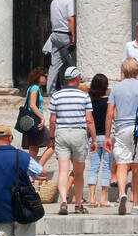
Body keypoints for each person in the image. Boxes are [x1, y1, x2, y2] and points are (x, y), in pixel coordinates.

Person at [107, 57, 138, 215]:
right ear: (137, 70)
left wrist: (107, 136)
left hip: (121, 128)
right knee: (137, 167)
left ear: (124, 71)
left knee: (121, 164)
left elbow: (109, 114)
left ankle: (121, 193)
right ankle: (135, 205)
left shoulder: (116, 88)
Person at [48, 66, 96, 215]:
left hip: (61, 133)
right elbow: (89, 120)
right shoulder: (84, 96)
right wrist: (94, 138)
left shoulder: (56, 96)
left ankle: (63, 201)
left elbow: (52, 120)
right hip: (78, 133)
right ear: (76, 79)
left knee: (63, 170)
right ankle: (78, 204)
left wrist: (51, 137)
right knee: (78, 172)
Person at [42, 0, 75, 92]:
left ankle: (50, 91)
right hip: (65, 35)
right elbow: (71, 19)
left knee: (55, 64)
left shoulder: (54, 1)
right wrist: (74, 39)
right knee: (72, 63)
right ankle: (74, 88)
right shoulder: (69, 0)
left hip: (55, 35)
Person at [86, 73, 111, 208]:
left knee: (94, 168)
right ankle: (103, 198)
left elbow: (88, 120)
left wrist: (93, 138)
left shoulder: (89, 100)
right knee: (107, 167)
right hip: (107, 137)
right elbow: (113, 117)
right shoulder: (109, 101)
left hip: (93, 138)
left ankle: (91, 198)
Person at [21, 66, 50, 160]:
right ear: (39, 76)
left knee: (33, 148)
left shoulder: (32, 88)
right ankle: (38, 168)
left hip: (32, 120)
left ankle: (31, 171)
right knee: (51, 143)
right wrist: (42, 117)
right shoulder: (35, 88)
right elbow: (32, 105)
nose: (46, 79)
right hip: (35, 120)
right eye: (45, 76)